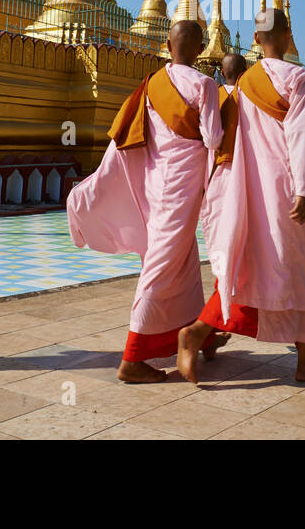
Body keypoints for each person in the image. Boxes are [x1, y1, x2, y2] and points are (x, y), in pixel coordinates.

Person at [178, 8, 305, 384]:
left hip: (250, 189)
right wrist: (302, 188)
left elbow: (224, 140)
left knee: (253, 268)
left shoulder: (243, 82)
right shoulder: (298, 76)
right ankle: (302, 358)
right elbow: (298, 136)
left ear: (254, 40)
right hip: (285, 187)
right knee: (303, 267)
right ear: (288, 36)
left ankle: (204, 333)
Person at [67, 20, 225, 383]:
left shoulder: (152, 84)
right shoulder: (205, 85)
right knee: (162, 263)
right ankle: (132, 359)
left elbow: (132, 138)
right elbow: (214, 139)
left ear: (168, 44)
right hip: (183, 188)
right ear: (201, 50)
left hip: (156, 185)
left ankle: (202, 336)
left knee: (183, 263)